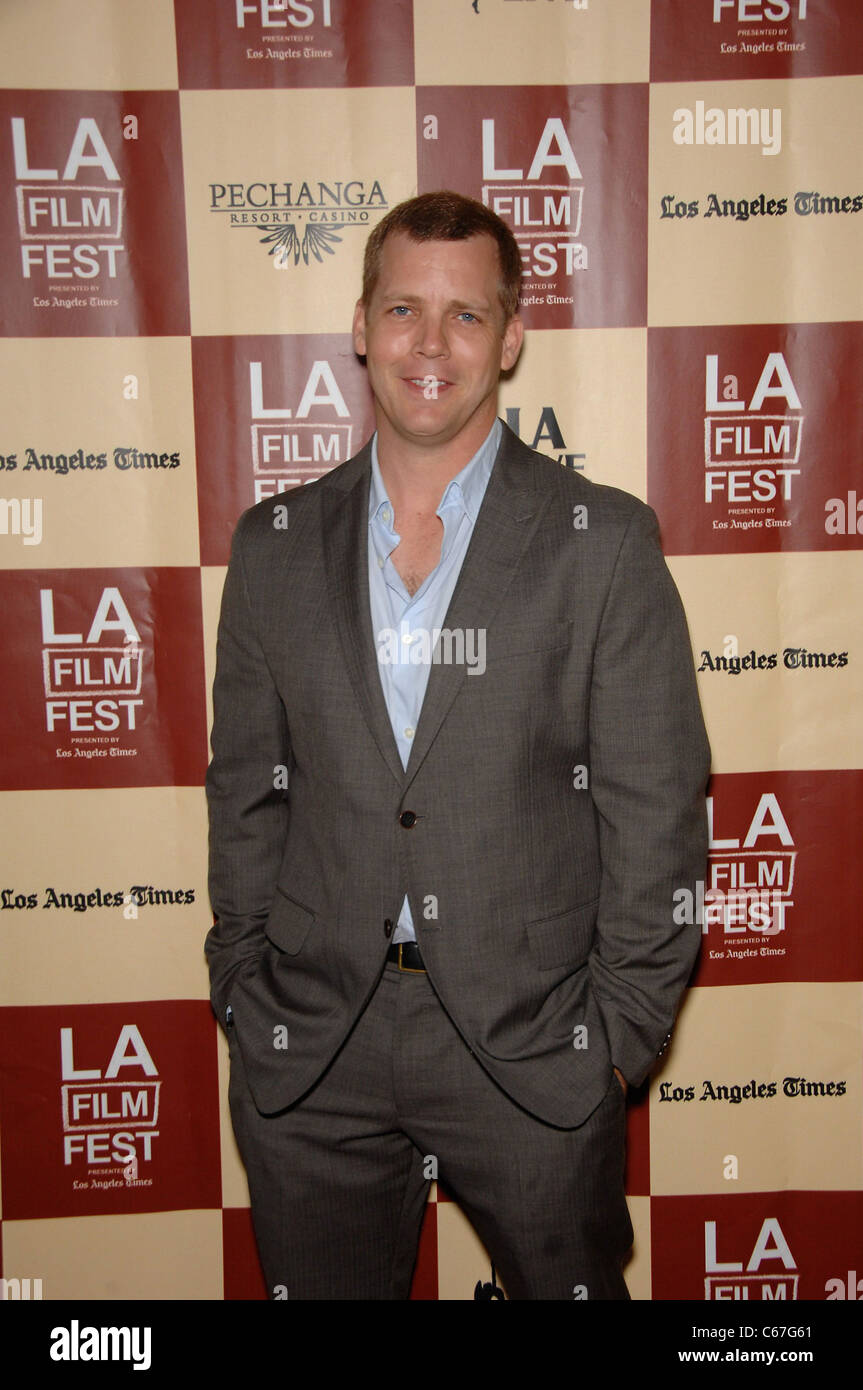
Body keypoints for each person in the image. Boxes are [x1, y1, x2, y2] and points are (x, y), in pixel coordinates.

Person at [205, 190, 710, 1301]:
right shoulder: (273, 547)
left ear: (511, 336)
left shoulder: (603, 543)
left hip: (532, 1043)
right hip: (313, 1042)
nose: (427, 345)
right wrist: (242, 984)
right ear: (358, 326)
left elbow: (657, 813)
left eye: (465, 315)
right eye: (401, 309)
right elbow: (246, 794)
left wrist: (614, 1039)